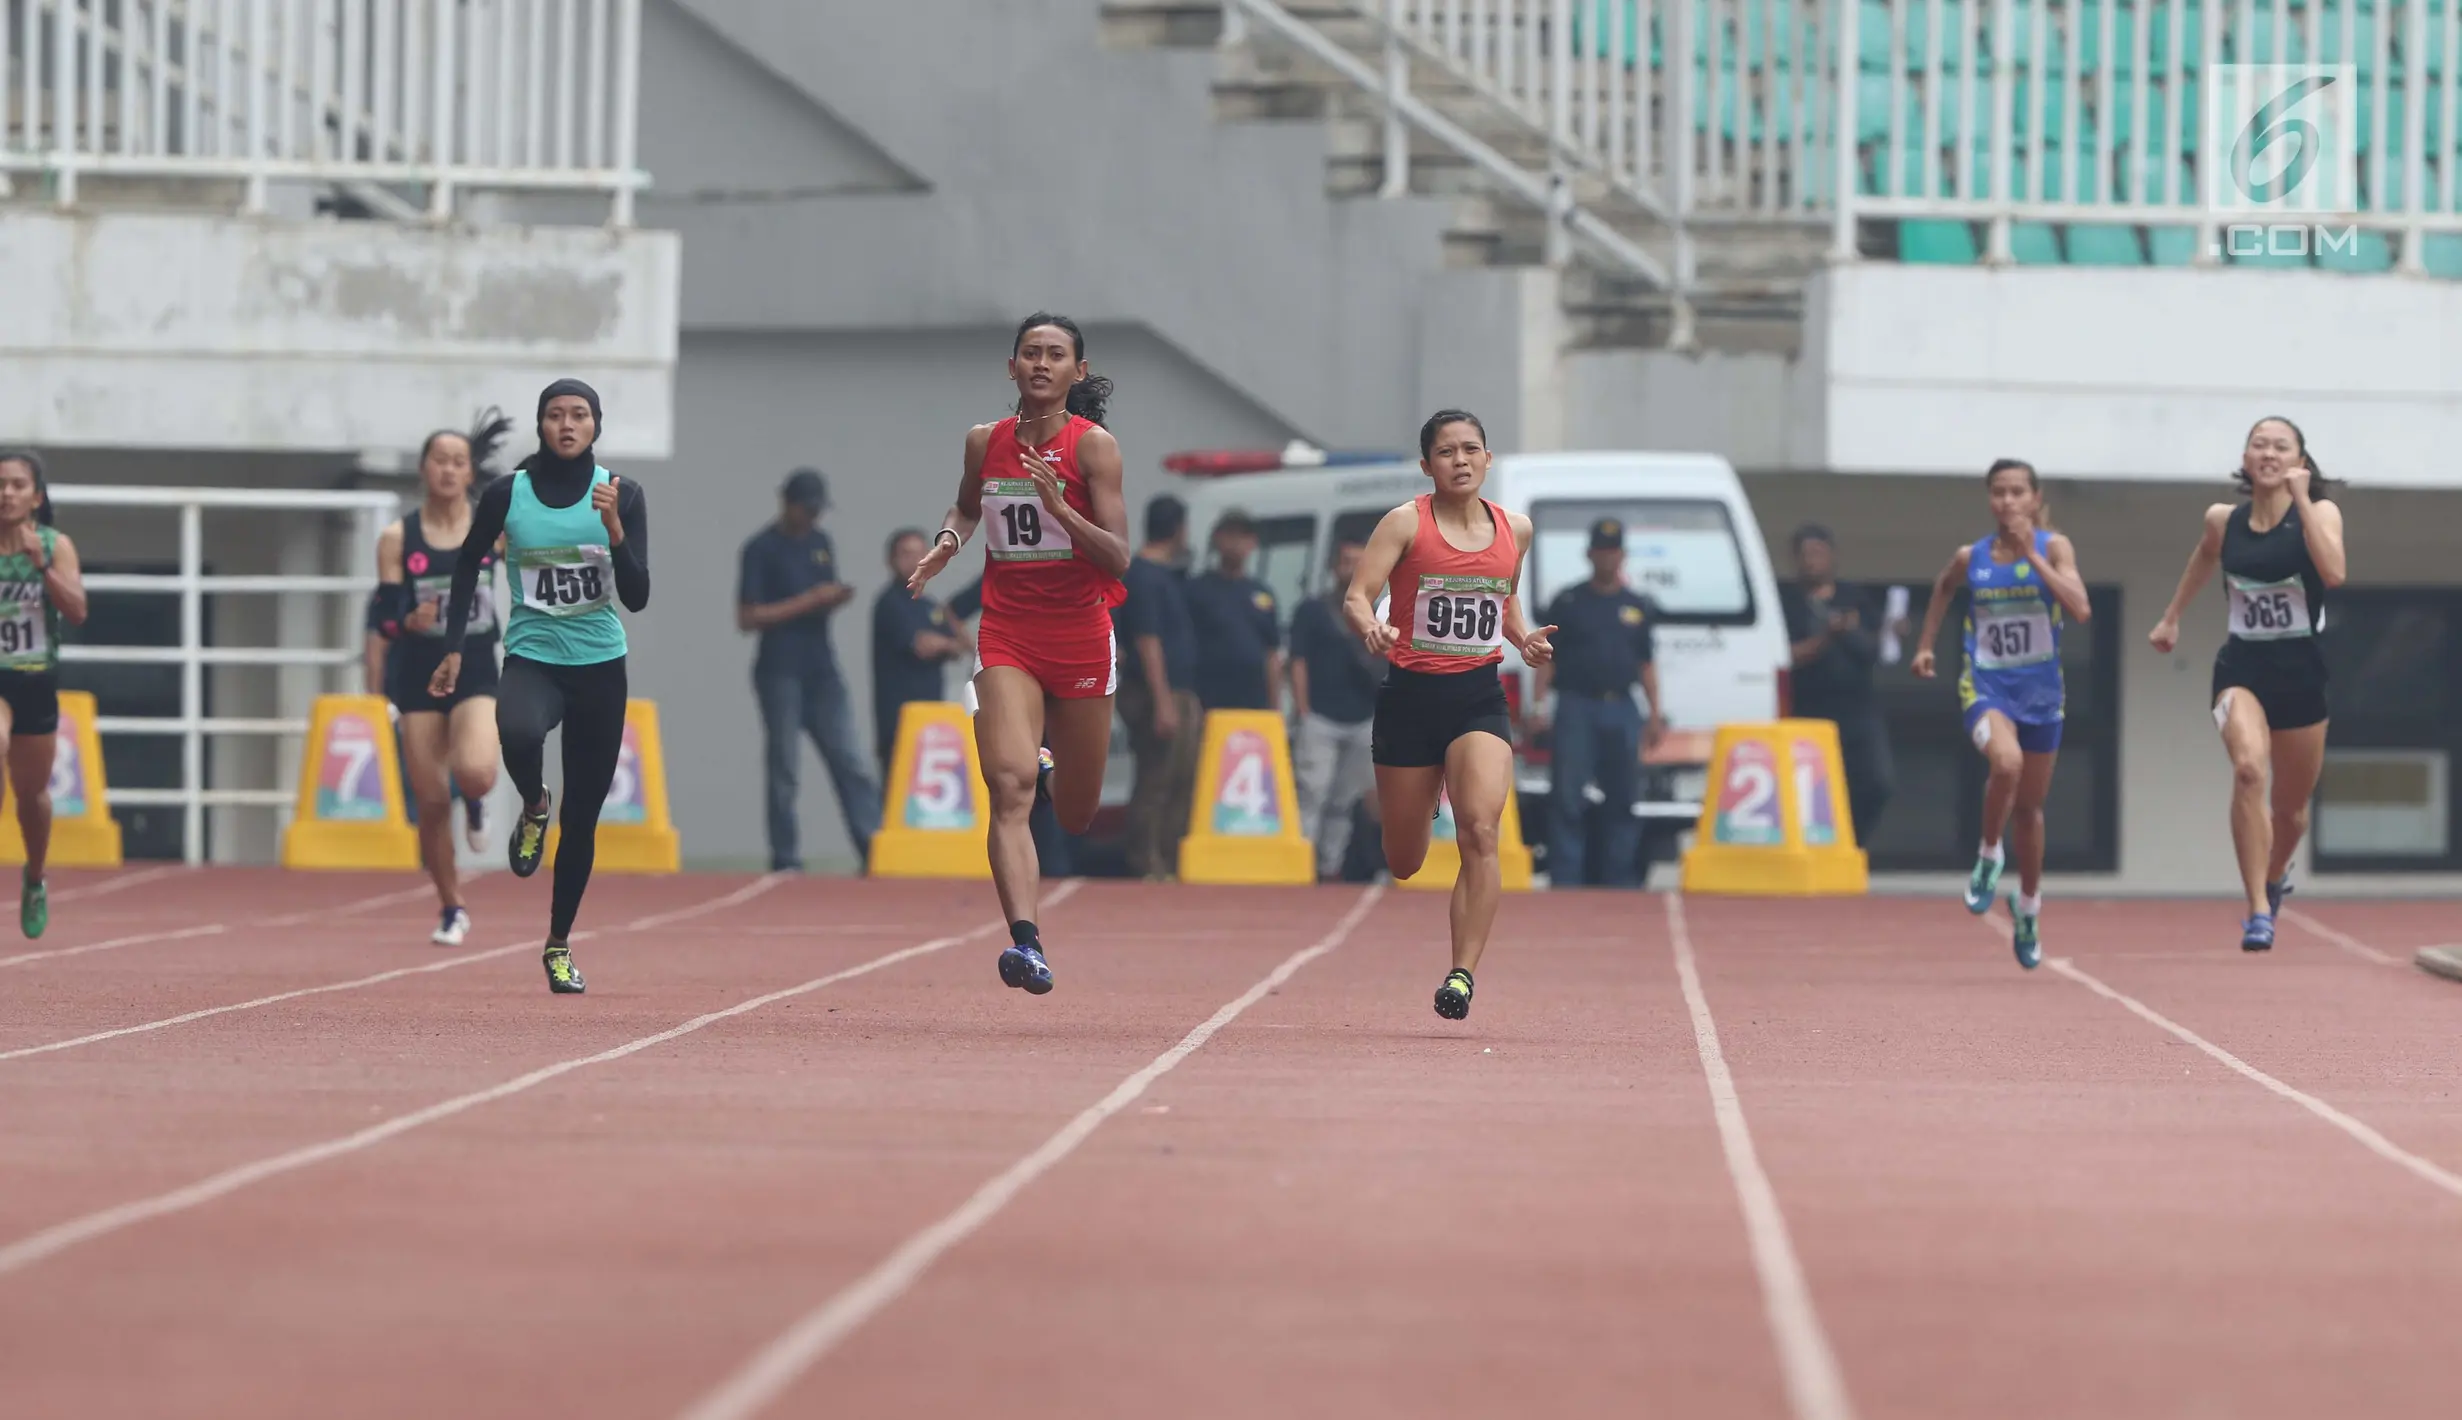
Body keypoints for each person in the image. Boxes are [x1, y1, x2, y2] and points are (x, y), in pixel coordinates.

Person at [904, 313, 1130, 995]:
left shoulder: (1095, 449)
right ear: (1012, 367)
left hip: (1082, 635)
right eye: (1029, 353)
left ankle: (1046, 748)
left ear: (1076, 372)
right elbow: (967, 508)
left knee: (1076, 813)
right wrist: (948, 543)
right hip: (1008, 632)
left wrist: (1061, 508)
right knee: (1009, 787)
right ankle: (1026, 943)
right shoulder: (986, 441)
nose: (1040, 363)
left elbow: (1120, 556)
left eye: (1055, 355)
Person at [433, 378, 650, 994]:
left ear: (595, 426)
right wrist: (453, 647)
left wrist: (615, 530)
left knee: (582, 822)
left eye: (579, 415)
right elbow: (468, 564)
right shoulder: (509, 495)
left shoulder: (623, 494)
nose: (566, 424)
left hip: (600, 667)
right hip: (533, 655)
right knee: (518, 730)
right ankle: (533, 803)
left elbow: (637, 595)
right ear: (541, 425)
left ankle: (558, 944)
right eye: (555, 415)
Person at [1344, 409, 1555, 1021]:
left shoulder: (1516, 528)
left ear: (1488, 459)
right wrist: (1372, 627)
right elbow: (1358, 594)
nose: (1460, 461)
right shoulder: (1405, 523)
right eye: (1446, 452)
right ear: (1427, 464)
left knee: (1481, 831)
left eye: (1471, 450)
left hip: (1477, 697)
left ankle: (1461, 974)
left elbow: (1503, 596)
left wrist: (1522, 640)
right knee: (1405, 860)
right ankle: (1424, 789)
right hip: (1409, 700)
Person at [2149, 416, 2345, 953]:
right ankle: (2258, 908)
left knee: (2292, 812)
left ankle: (2274, 877)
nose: (2269, 453)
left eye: (2282, 446)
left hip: (2302, 674)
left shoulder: (2321, 511)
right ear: (2246, 455)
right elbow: (2205, 557)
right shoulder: (2223, 519)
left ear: (2299, 461)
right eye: (2259, 443)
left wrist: (2303, 501)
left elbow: (2333, 573)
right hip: (2242, 668)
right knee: (2248, 769)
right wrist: (2172, 616)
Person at [1910, 460, 2092, 969]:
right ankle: (1990, 853)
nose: (2007, 502)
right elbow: (1945, 586)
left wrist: (2033, 556)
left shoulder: (2054, 548)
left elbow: (2080, 608)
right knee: (2005, 764)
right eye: (1998, 493)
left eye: (2017, 493)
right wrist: (1926, 645)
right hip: (1986, 687)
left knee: (2031, 810)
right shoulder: (1973, 557)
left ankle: (2029, 907)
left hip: (2042, 695)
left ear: (2034, 500)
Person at [367, 411, 514, 945]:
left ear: (471, 473)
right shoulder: (396, 537)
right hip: (417, 671)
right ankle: (452, 906)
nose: (449, 471)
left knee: (475, 771)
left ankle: (474, 801)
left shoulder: (493, 530)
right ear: (424, 469)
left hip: (474, 662)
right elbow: (382, 616)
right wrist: (407, 619)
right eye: (440, 461)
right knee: (429, 801)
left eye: (459, 462)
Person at [737, 468, 879, 871]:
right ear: (788, 503)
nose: (814, 518)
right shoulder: (760, 549)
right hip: (779, 669)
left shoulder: (821, 543)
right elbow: (748, 617)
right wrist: (808, 600)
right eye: (807, 509)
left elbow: (821, 596)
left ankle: (872, 848)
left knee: (850, 759)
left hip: (822, 668)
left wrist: (831, 599)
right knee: (785, 768)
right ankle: (786, 859)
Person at [1532, 518, 1664, 888]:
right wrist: (1538, 707)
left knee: (1622, 799)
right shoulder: (1569, 602)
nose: (1607, 558)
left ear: (1622, 556)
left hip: (1622, 708)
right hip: (1577, 708)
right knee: (1568, 799)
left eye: (1614, 551)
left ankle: (1618, 881)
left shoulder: (1635, 606)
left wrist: (1654, 715)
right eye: (1601, 551)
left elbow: (1646, 664)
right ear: (1589, 554)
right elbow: (1547, 660)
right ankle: (1567, 881)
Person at [0, 451, 87, 939]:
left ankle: (35, 876)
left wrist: (42, 569)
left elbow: (77, 610)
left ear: (36, 497)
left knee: (31, 796)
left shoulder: (56, 545)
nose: (5, 493)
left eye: (16, 485)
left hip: (35, 678)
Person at [1782, 526, 1894, 846]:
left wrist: (1888, 631)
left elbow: (1876, 649)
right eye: (1805, 556)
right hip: (1809, 710)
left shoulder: (1853, 597)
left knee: (1876, 782)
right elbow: (1785, 655)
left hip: (1858, 709)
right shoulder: (1788, 601)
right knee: (1812, 789)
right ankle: (1821, 847)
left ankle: (1853, 842)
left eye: (1818, 554)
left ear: (1832, 556)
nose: (1812, 562)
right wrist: (1826, 637)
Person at [1115, 495, 1202, 880]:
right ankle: (1145, 863)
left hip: (1180, 690)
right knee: (1157, 779)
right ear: (1178, 530)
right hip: (1159, 694)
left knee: (1181, 779)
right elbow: (1148, 642)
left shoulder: (1165, 575)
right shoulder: (1145, 577)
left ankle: (1168, 861)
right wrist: (1163, 701)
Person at [1290, 537, 1382, 882]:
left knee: (1344, 801)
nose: (1353, 569)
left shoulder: (1380, 612)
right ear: (1333, 567)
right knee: (1311, 791)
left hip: (1363, 719)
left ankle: (1329, 867)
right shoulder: (1313, 610)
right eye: (1347, 561)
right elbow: (1297, 661)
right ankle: (1301, 862)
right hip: (1320, 716)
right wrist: (1302, 710)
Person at [871, 528, 973, 785]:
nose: (914, 560)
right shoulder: (889, 603)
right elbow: (923, 645)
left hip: (931, 724)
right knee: (900, 800)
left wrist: (949, 643)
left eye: (920, 554)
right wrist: (946, 644)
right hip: (899, 724)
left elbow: (959, 643)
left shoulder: (928, 605)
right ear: (891, 560)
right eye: (906, 554)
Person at [1184, 509, 1285, 714]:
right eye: (1230, 535)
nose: (1237, 543)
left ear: (1253, 543)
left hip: (1256, 704)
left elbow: (1272, 654)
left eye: (1244, 536)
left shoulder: (1262, 594)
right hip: (1210, 702)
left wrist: (1276, 708)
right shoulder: (1197, 590)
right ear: (1217, 539)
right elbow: (1185, 647)